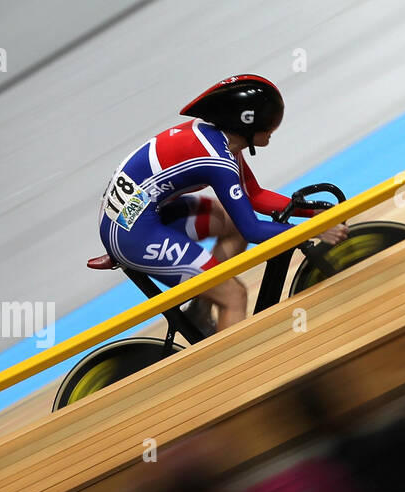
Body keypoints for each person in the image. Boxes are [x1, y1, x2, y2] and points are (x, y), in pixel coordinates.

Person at [97, 74, 347, 334]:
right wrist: (315, 230)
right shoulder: (218, 161)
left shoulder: (222, 140)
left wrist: (311, 211)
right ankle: (236, 371)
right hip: (131, 234)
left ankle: (202, 308)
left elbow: (255, 195)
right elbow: (253, 230)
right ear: (248, 123)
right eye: (270, 121)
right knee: (234, 296)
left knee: (231, 224)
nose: (274, 128)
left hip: (140, 215)